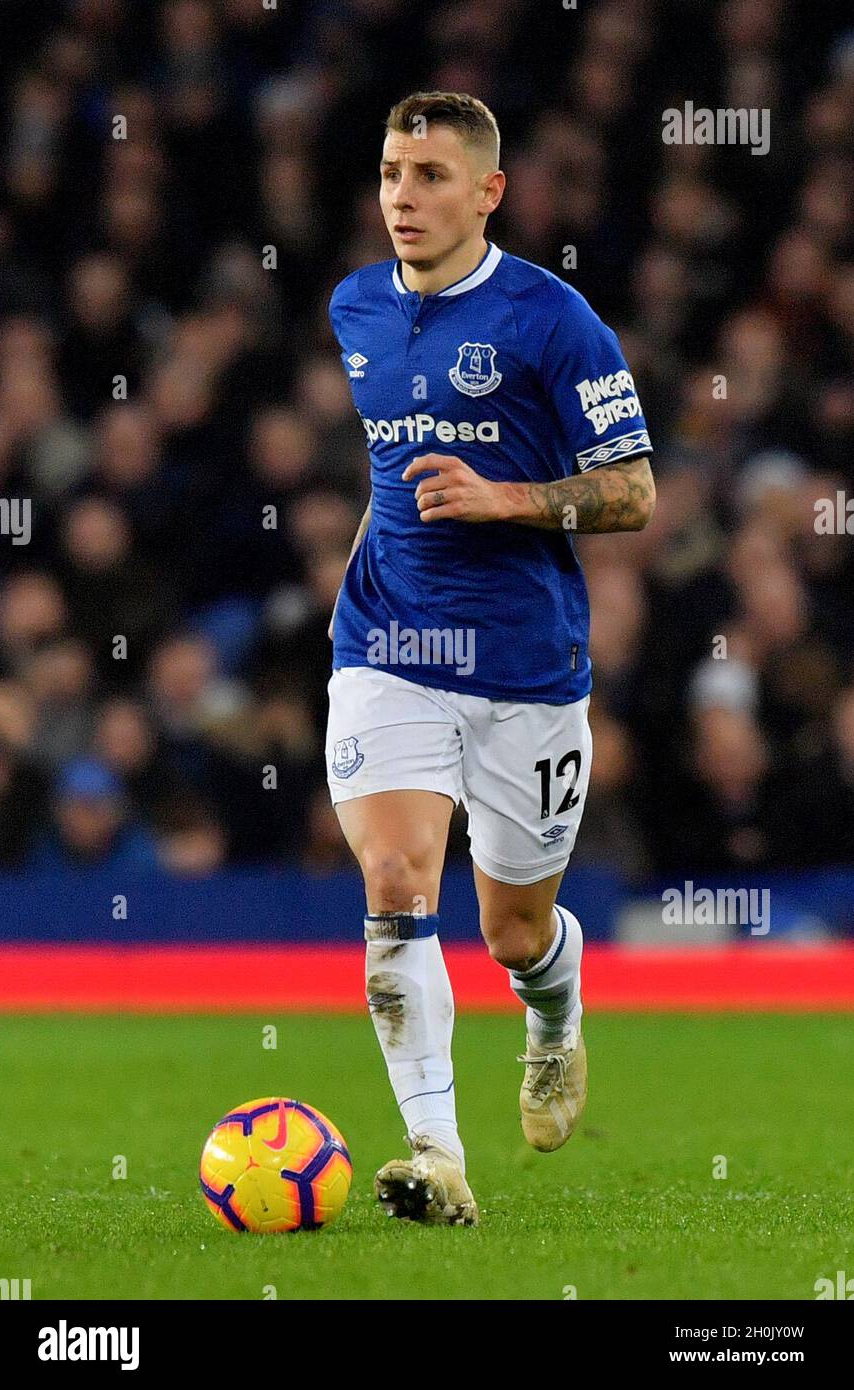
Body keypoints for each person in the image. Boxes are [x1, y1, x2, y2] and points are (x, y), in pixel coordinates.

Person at [326, 92, 656, 1226]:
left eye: (426, 175)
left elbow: (632, 490)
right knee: (392, 886)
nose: (401, 197)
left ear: (488, 191)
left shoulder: (552, 320)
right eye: (387, 173)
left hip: (523, 664)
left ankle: (554, 1016)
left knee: (512, 931)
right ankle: (433, 1153)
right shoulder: (355, 305)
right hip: (385, 642)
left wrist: (504, 496)